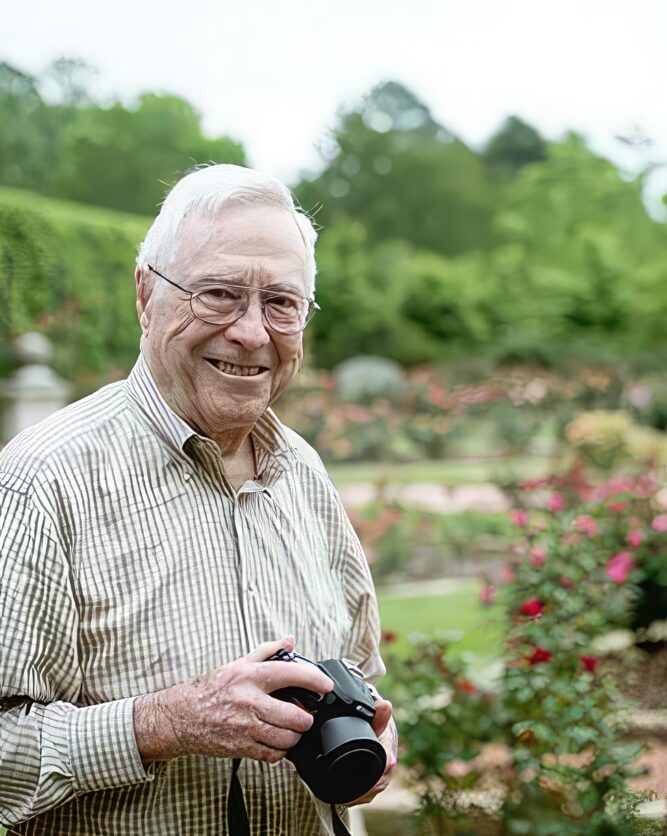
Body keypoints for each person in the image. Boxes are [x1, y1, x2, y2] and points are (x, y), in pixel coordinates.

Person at [0, 164, 397, 835]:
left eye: (281, 303)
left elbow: (364, 673)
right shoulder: (42, 482)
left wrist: (374, 740)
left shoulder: (304, 474)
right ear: (145, 293)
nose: (250, 332)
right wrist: (168, 722)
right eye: (218, 294)